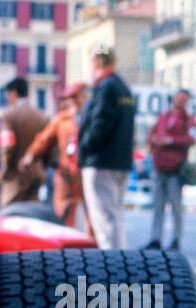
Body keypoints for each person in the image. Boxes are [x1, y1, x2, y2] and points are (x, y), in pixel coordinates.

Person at [76, 44, 135, 249]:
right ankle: (120, 263)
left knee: (103, 220)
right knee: (116, 216)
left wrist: (83, 149)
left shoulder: (105, 87)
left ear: (98, 61)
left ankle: (110, 267)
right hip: (121, 161)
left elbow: (99, 124)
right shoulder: (123, 87)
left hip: (100, 161)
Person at [21, 82, 88, 231]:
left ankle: (93, 247)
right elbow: (44, 140)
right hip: (66, 172)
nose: (71, 101)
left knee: (92, 213)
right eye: (69, 98)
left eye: (75, 97)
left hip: (86, 172)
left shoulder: (91, 117)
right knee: (64, 212)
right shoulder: (62, 119)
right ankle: (65, 246)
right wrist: (30, 156)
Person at [145, 88, 196, 251]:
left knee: (176, 205)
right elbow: (151, 135)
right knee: (158, 205)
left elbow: (191, 138)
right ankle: (155, 238)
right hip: (159, 165)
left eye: (185, 99)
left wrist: (170, 141)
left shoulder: (189, 120)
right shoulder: (163, 117)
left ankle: (176, 239)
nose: (181, 101)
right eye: (179, 98)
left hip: (176, 169)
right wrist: (154, 141)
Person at [0, 76, 47, 207]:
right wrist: (42, 166)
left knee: (11, 217)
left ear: (13, 93)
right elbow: (49, 146)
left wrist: (5, 170)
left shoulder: (8, 116)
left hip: (15, 176)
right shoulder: (41, 116)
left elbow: (7, 147)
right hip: (36, 173)